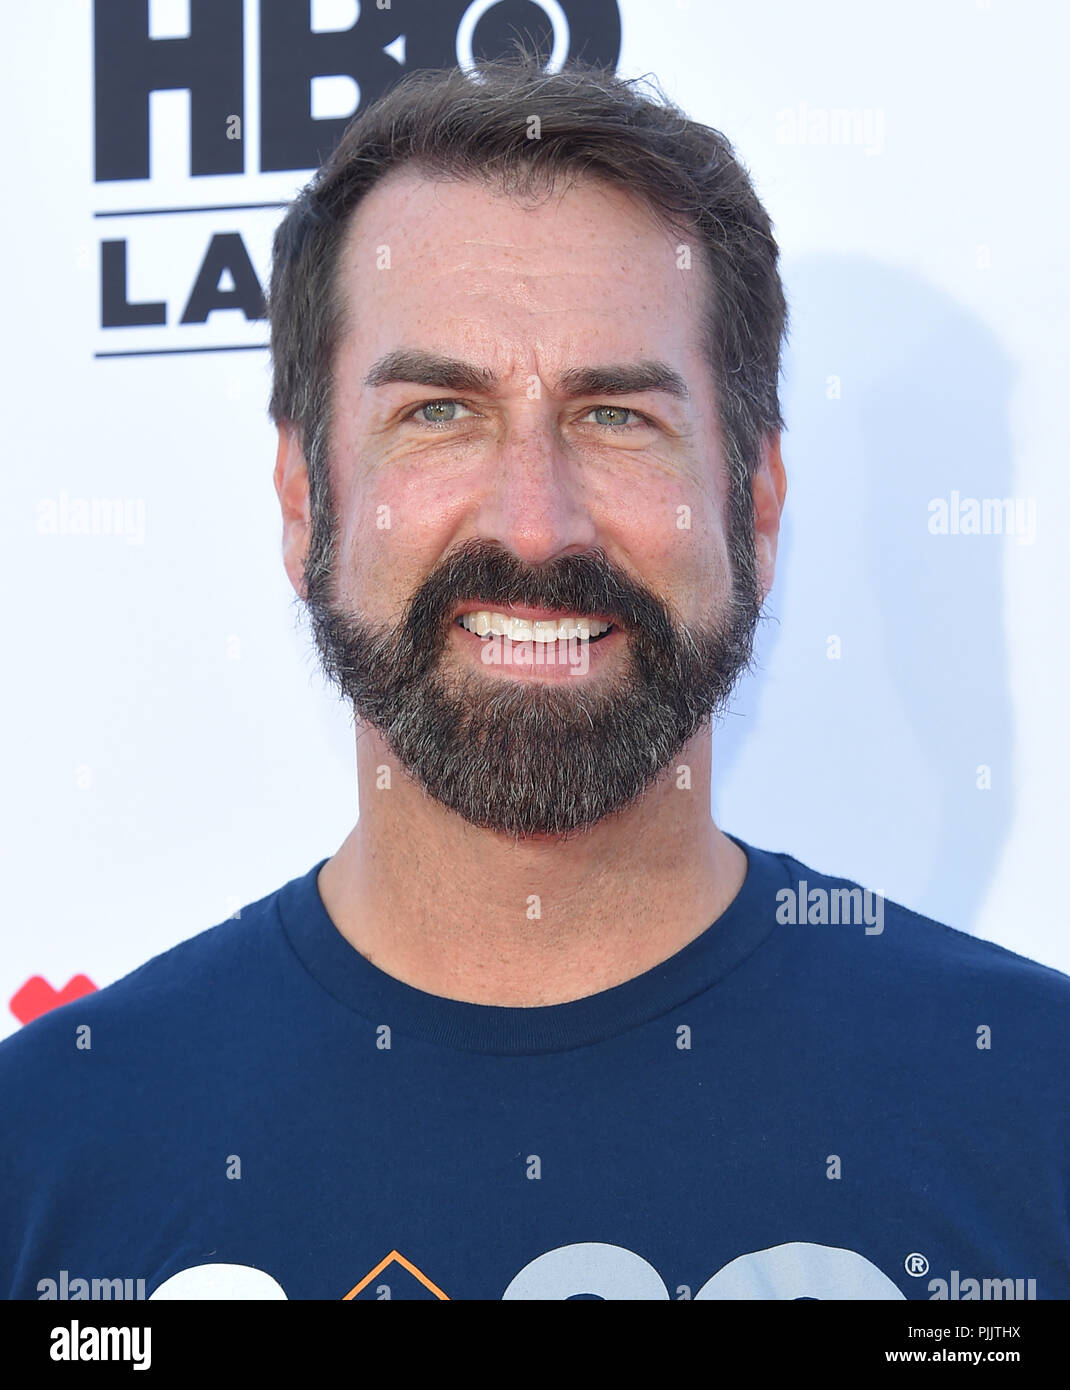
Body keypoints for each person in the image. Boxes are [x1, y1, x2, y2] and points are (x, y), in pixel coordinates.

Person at [3, 55, 1068, 1303]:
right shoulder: (52, 1151)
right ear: (304, 501)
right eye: (437, 411)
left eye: (614, 415)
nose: (536, 524)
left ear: (756, 505)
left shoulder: (1031, 1105)